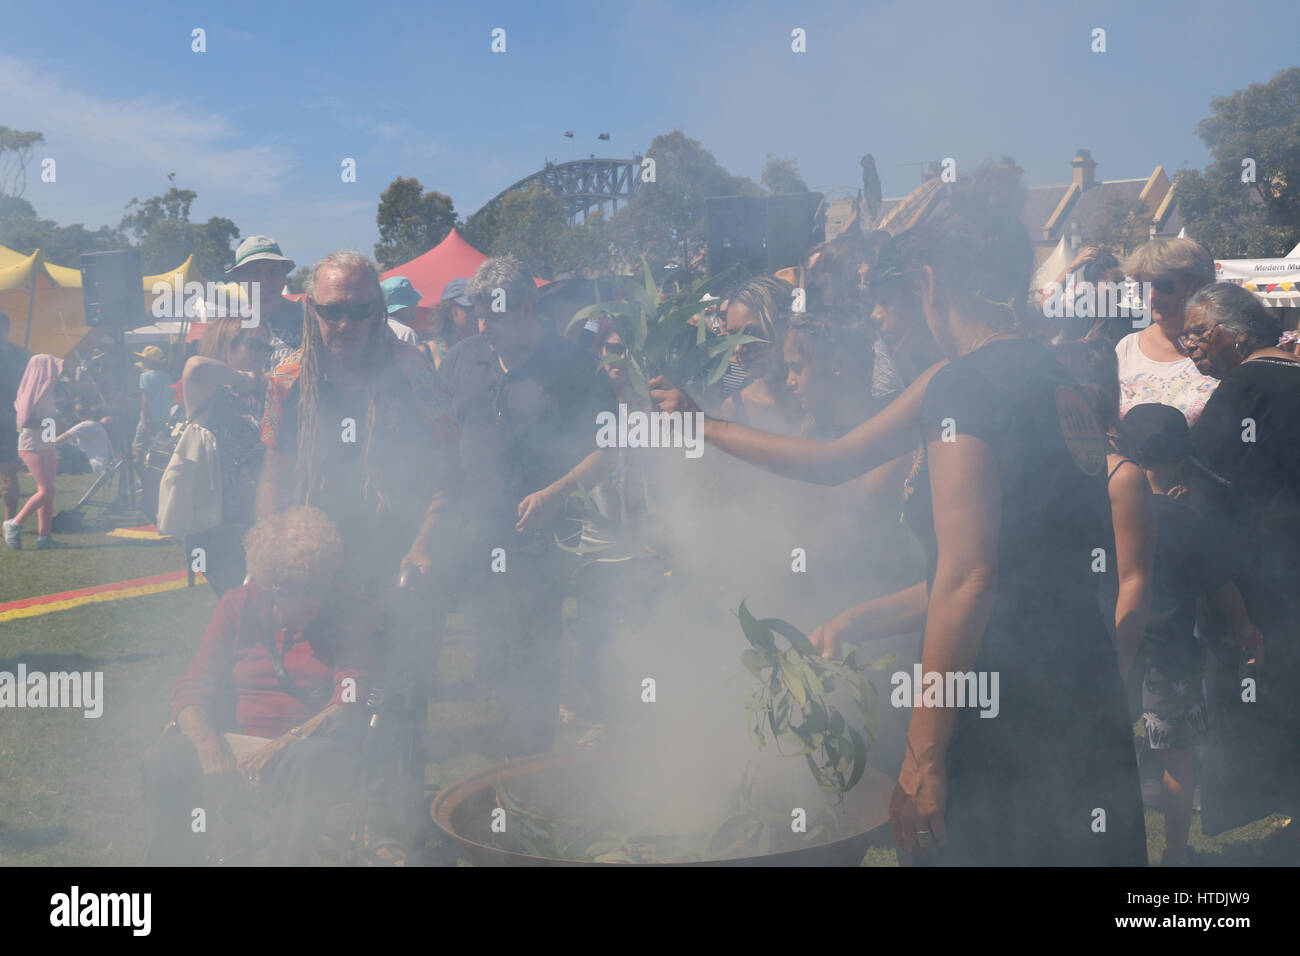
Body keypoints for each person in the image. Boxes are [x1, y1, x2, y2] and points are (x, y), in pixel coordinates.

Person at [879, 169, 1145, 865]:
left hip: (1002, 696)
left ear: (932, 283)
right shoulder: (1060, 376)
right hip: (1078, 680)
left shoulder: (964, 384)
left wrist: (924, 756)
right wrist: (706, 428)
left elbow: (967, 578)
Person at [437, 255, 617, 757]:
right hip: (475, 538)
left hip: (546, 540)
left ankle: (534, 770)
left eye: (495, 314)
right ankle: (505, 756)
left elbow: (610, 447)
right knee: (491, 654)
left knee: (537, 652)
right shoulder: (461, 359)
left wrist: (556, 493)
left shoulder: (575, 366)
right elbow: (441, 439)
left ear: (529, 307)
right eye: (478, 314)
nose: (483, 326)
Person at [141, 506, 372, 865]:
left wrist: (289, 740)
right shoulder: (237, 605)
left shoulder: (345, 611)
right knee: (164, 758)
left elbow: (350, 696)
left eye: (320, 585)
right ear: (270, 584)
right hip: (239, 748)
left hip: (310, 750)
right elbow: (192, 687)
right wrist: (207, 744)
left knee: (308, 762)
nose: (314, 600)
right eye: (299, 588)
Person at [1182, 282, 1300, 851]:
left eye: (1199, 331)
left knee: (1264, 700)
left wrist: (1221, 593)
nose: (1190, 345)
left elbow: (1202, 493)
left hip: (1259, 588)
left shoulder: (1246, 385)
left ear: (1235, 332)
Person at [1116, 402, 1257, 865]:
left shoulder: (1108, 512)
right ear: (1180, 459)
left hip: (1117, 644)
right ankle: (1174, 856)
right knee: (1177, 756)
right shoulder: (1190, 519)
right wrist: (1244, 626)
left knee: (1106, 748)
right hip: (1172, 656)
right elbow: (1220, 585)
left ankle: (1103, 846)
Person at [180, 317, 273, 595]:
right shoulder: (208, 390)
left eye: (265, 348)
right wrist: (247, 379)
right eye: (254, 345)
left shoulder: (263, 392)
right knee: (238, 602)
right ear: (224, 346)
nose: (261, 354)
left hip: (259, 517)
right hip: (218, 524)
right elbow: (196, 366)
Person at [1115, 238, 1219, 424]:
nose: (1152, 295)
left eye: (1163, 285)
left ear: (1194, 285)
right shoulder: (1127, 347)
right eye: (1143, 286)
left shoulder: (1222, 347)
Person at [716, 276, 804, 435]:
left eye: (752, 334)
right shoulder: (734, 408)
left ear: (785, 326)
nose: (738, 348)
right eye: (733, 336)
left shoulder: (815, 397)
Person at [4, 354, 68, 550]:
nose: (56, 372)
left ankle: (44, 537)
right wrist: (53, 423)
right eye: (52, 368)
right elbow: (24, 422)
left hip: (46, 441)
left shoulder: (48, 390)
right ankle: (14, 524)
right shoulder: (31, 392)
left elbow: (48, 420)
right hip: (31, 443)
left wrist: (53, 432)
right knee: (46, 489)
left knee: (49, 491)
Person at [225, 235, 299, 370]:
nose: (265, 281)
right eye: (255, 273)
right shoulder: (227, 328)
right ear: (240, 279)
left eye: (273, 272)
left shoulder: (309, 320)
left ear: (284, 276)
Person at [0, 311, 32, 526]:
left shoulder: (21, 356)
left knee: (9, 476)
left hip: (9, 421)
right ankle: (9, 524)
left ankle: (9, 523)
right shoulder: (23, 356)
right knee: (9, 475)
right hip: (11, 420)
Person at [423, 277, 477, 370]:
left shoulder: (487, 350)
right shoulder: (427, 354)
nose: (476, 312)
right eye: (470, 307)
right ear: (449, 312)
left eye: (479, 306)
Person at [54, 404, 114, 475]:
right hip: (101, 466)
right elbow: (110, 452)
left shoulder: (84, 425)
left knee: (66, 446)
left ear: (77, 415)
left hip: (90, 466)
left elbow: (60, 440)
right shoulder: (100, 427)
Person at [379, 276, 423, 345]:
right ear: (400, 308)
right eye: (412, 302)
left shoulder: (373, 328)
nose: (416, 304)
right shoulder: (407, 333)